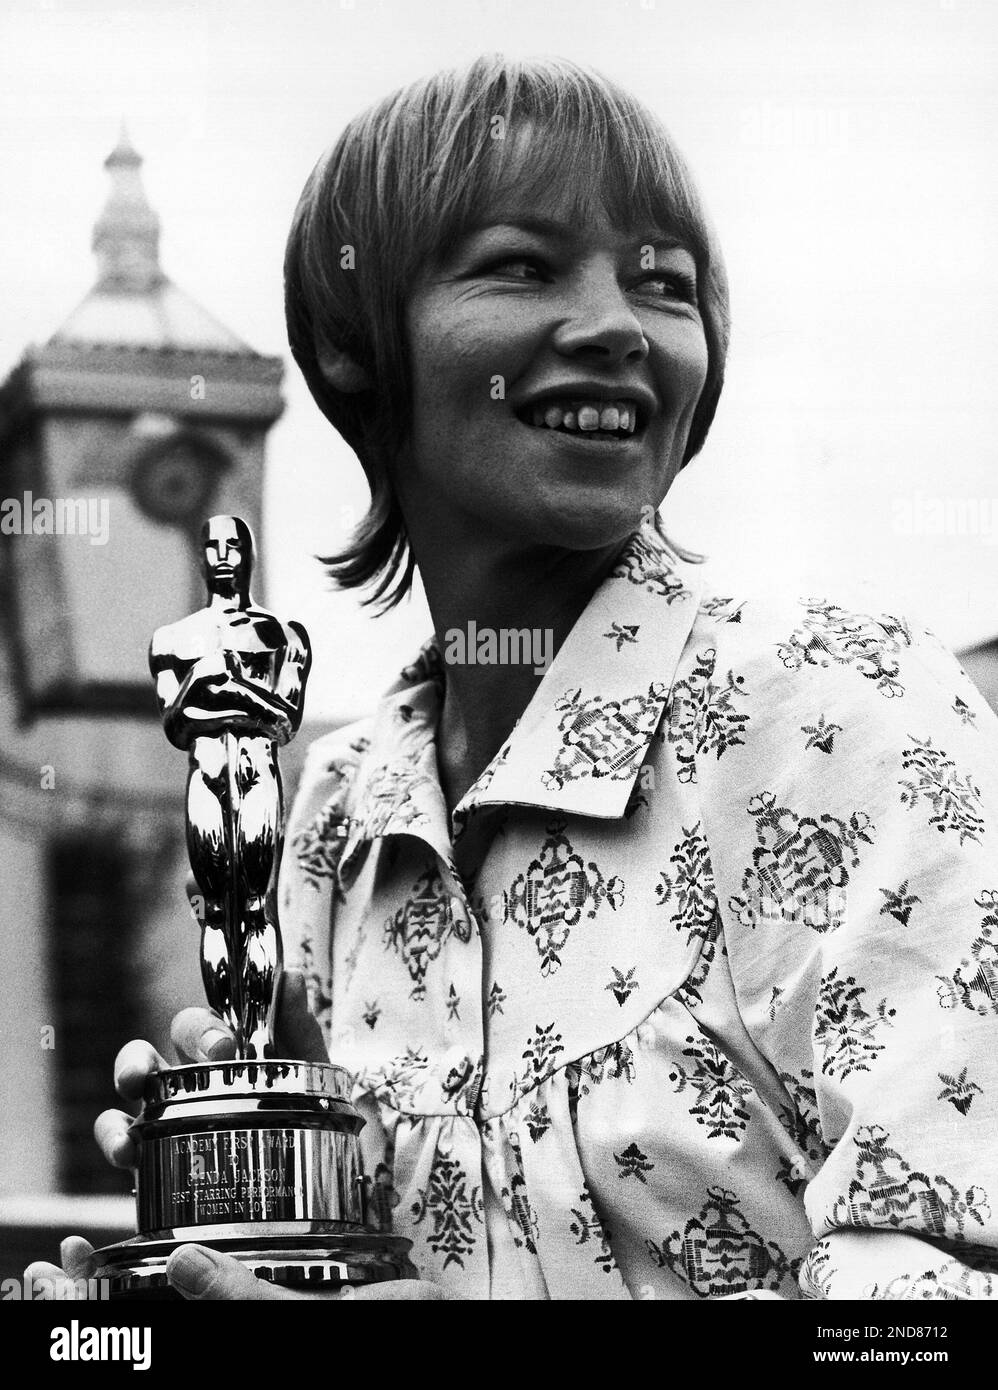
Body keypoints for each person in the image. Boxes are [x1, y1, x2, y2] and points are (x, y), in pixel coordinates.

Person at [29, 54, 998, 1301]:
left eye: (665, 284)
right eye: (522, 264)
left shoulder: (836, 708)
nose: (617, 324)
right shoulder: (336, 819)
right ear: (351, 347)